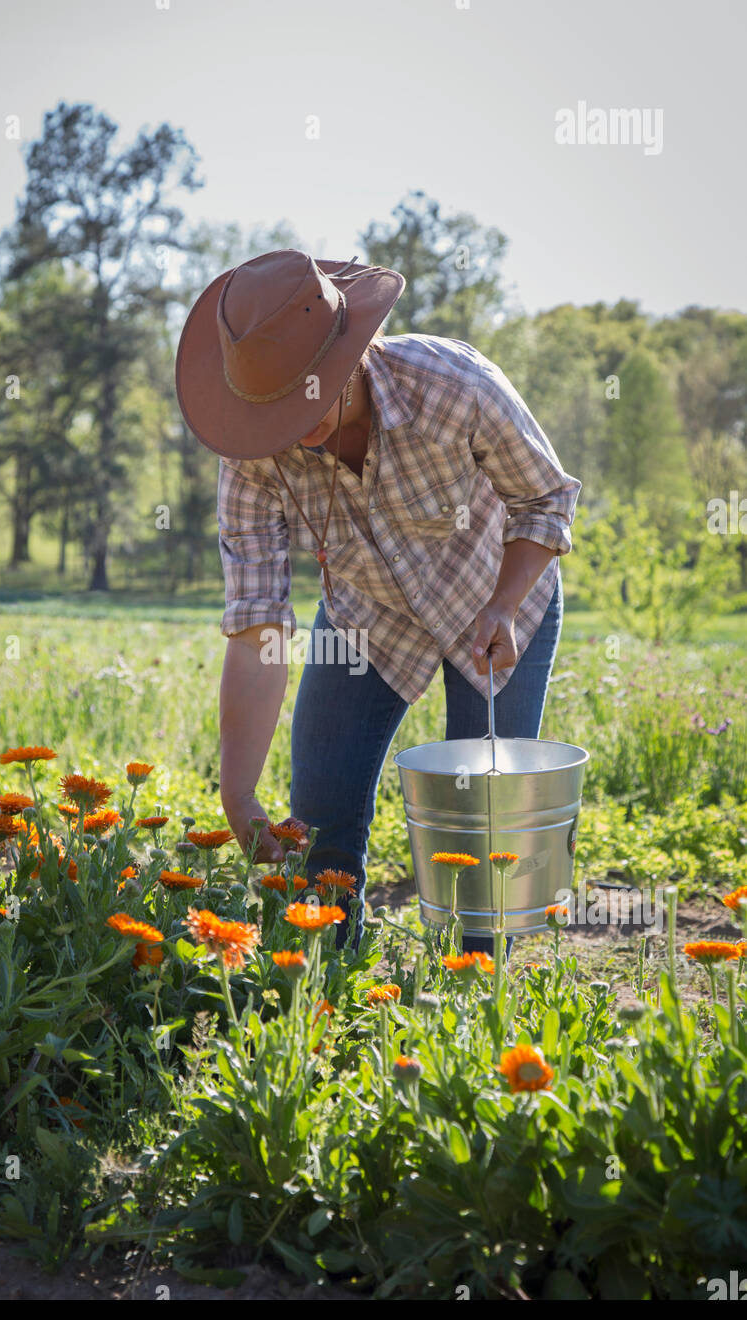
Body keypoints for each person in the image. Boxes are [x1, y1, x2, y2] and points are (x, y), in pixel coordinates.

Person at [175, 248, 581, 952]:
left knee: (482, 826)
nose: (288, 434)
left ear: (349, 357)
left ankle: (475, 992)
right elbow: (257, 625)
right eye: (268, 412)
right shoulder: (252, 454)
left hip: (495, 600)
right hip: (367, 620)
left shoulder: (452, 384)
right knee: (320, 827)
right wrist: (236, 793)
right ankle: (326, 989)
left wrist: (506, 604)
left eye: (302, 401)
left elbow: (545, 500)